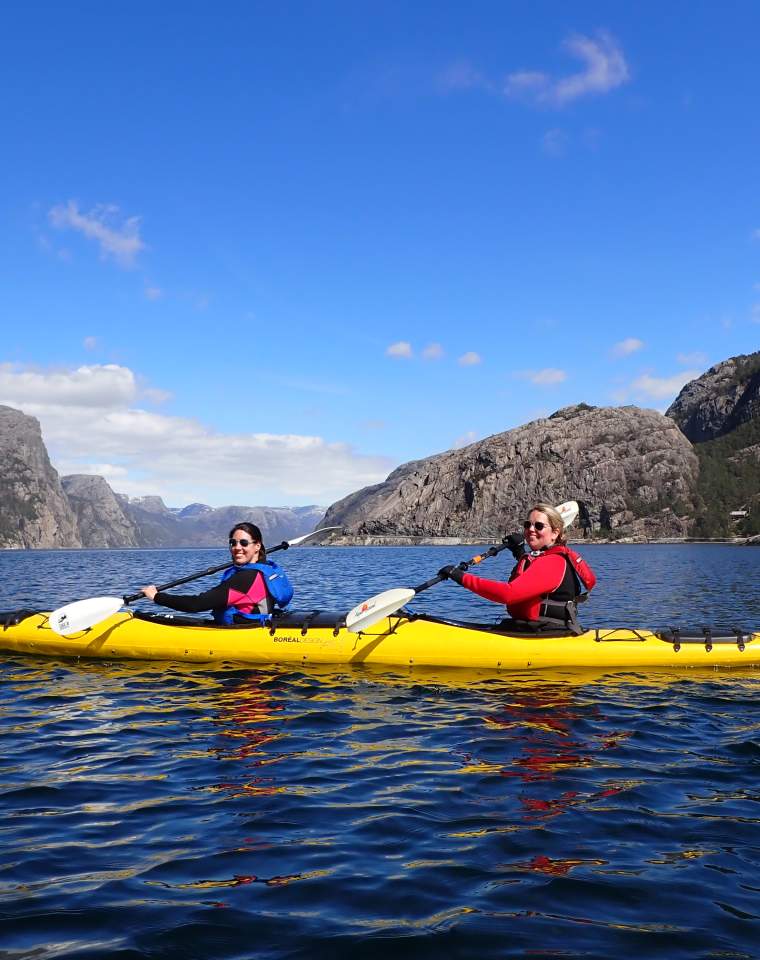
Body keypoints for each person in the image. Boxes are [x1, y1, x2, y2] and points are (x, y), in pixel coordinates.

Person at [438, 502, 596, 633]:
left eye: (539, 526)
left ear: (555, 533)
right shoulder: (545, 558)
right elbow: (533, 578)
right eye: (528, 525)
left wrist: (460, 577)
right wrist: (519, 553)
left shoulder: (553, 562)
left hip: (545, 633)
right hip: (530, 629)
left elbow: (508, 594)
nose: (531, 530)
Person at [141, 522, 284, 624]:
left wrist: (157, 597)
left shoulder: (246, 577)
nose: (237, 547)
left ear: (257, 546)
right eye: (233, 543)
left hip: (244, 632)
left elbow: (196, 604)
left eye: (244, 543)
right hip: (255, 626)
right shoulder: (265, 568)